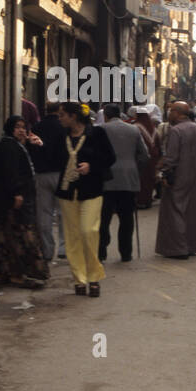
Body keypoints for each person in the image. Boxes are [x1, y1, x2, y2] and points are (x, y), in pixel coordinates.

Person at [53, 103, 115, 296]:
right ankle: (79, 278)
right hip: (68, 192)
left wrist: (91, 165)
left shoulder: (96, 134)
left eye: (63, 115)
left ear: (73, 116)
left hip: (92, 190)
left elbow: (110, 157)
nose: (60, 118)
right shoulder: (60, 136)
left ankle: (94, 276)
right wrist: (37, 144)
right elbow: (54, 159)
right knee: (72, 237)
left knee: (88, 231)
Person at [0, 115, 48, 287]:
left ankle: (12, 272)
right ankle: (16, 273)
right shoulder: (9, 147)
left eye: (23, 127)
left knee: (10, 235)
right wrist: (17, 193)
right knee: (16, 235)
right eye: (17, 127)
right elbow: (10, 172)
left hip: (9, 199)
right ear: (10, 129)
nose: (21, 131)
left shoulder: (13, 145)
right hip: (10, 200)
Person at [155, 102, 196, 258]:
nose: (169, 114)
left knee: (176, 210)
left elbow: (172, 158)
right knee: (194, 211)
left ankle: (178, 248)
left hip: (180, 176)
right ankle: (193, 245)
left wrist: (164, 173)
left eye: (170, 111)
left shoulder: (176, 130)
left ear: (177, 113)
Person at [100, 104, 149, 263]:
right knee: (126, 218)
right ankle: (126, 253)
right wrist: (135, 169)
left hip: (106, 180)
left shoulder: (100, 129)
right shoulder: (133, 129)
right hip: (129, 179)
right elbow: (144, 156)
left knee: (103, 218)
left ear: (106, 116)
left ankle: (101, 251)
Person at [30, 102, 66, 262]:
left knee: (44, 214)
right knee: (63, 212)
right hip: (60, 173)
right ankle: (63, 248)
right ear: (59, 111)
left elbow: (32, 150)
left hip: (41, 174)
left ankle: (47, 250)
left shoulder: (37, 128)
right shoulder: (63, 127)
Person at [133, 107, 160, 209]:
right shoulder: (154, 128)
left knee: (141, 180)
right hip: (153, 159)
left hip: (140, 158)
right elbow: (158, 144)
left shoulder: (135, 127)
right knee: (149, 179)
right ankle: (147, 200)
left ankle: (140, 201)